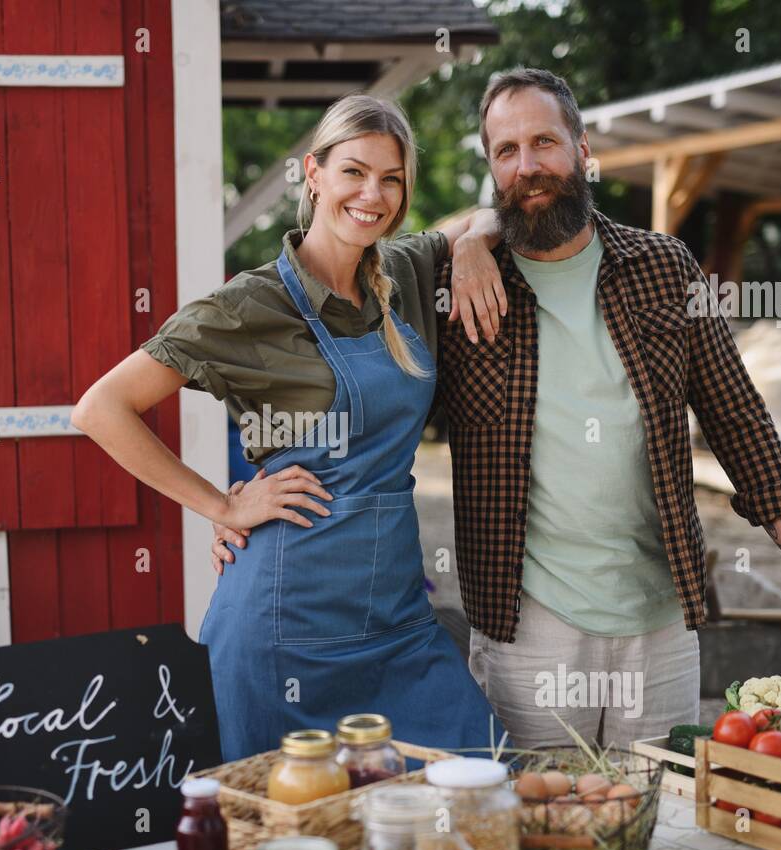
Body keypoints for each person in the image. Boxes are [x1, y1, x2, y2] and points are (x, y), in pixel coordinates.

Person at [439, 68, 781, 750]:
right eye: (506, 151)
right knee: (543, 828)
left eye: (544, 143)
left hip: (660, 626)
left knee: (663, 827)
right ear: (492, 167)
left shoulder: (663, 268)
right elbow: (360, 272)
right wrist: (468, 240)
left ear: (584, 149)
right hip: (528, 628)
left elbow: (738, 418)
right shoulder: (460, 288)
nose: (528, 167)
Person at [73, 94, 506, 763]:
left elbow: (495, 207)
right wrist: (219, 503)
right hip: (281, 627)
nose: (373, 194)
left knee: (482, 772)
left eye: (392, 179)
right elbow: (100, 408)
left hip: (394, 619)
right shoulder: (251, 306)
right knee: (279, 828)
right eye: (354, 172)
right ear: (313, 173)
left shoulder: (406, 272)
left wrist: (474, 243)